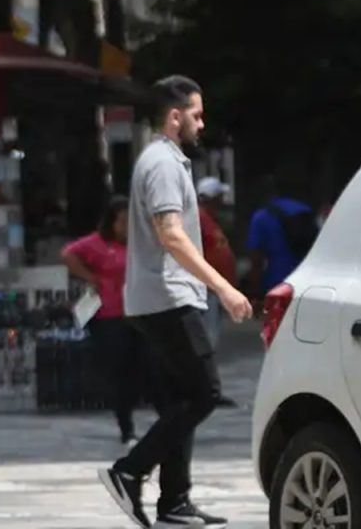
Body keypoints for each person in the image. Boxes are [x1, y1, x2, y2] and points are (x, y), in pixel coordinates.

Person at [98, 76, 251, 529]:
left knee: (181, 400)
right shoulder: (162, 164)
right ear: (175, 116)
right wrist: (223, 287)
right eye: (197, 114)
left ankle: (174, 503)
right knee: (206, 394)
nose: (202, 124)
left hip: (156, 298)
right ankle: (129, 471)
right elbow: (171, 234)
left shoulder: (165, 161)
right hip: (168, 297)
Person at [61, 196, 141, 445]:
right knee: (120, 373)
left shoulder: (139, 244)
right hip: (109, 314)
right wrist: (90, 277)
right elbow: (68, 254)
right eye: (122, 221)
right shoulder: (97, 244)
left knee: (143, 368)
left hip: (138, 312)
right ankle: (126, 427)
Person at [246, 177, 317, 301]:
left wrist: (255, 295)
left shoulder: (260, 217)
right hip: (307, 281)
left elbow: (256, 260)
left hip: (277, 284)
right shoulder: (304, 210)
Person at [194, 178, 236, 352]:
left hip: (214, 289)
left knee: (211, 335)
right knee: (206, 337)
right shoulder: (197, 219)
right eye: (219, 197)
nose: (222, 202)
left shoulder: (209, 220)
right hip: (205, 289)